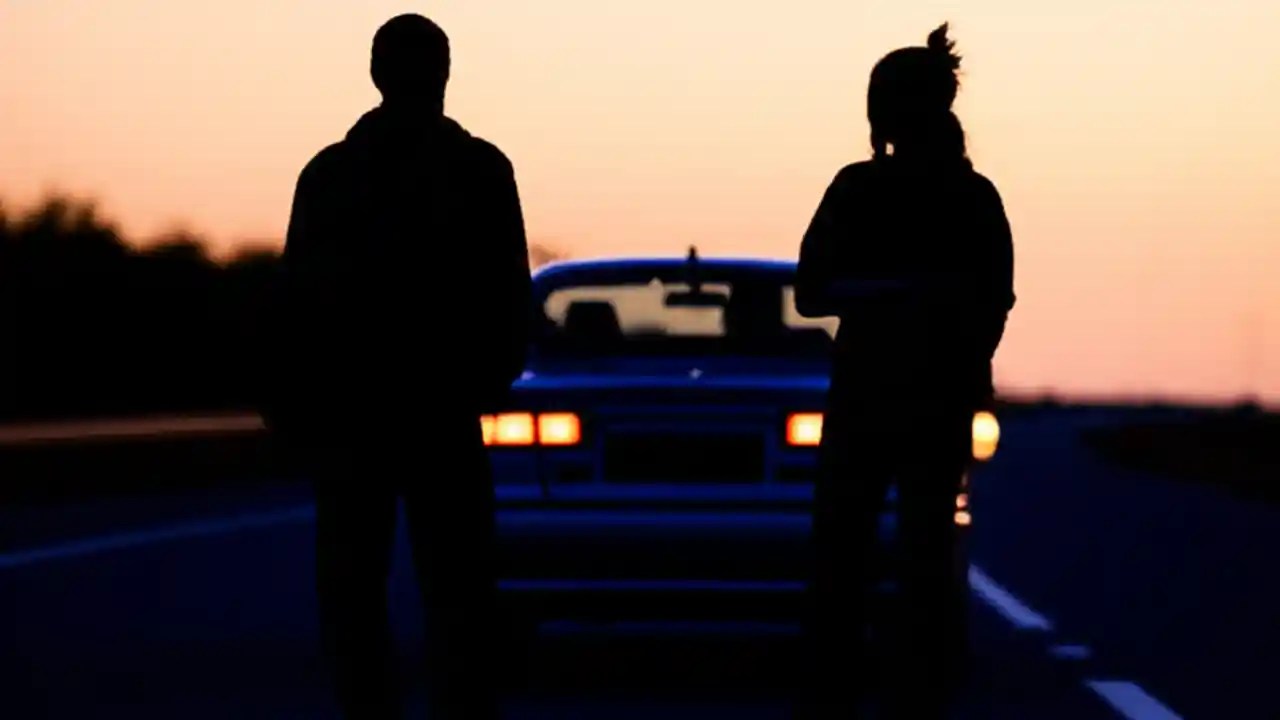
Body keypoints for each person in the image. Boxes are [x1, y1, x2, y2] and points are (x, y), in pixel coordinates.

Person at [260, 13, 531, 720]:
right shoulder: (479, 170)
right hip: (437, 414)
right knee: (459, 594)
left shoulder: (330, 174)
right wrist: (481, 382)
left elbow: (293, 300)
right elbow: (510, 297)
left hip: (355, 417)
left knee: (357, 597)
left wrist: (292, 404)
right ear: (444, 73)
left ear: (376, 75)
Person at [794, 22, 1015, 719]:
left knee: (872, 550)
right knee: (901, 550)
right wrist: (912, 301)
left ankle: (879, 682)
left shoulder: (914, 194)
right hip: (907, 401)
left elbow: (990, 301)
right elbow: (812, 290)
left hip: (892, 400)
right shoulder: (958, 196)